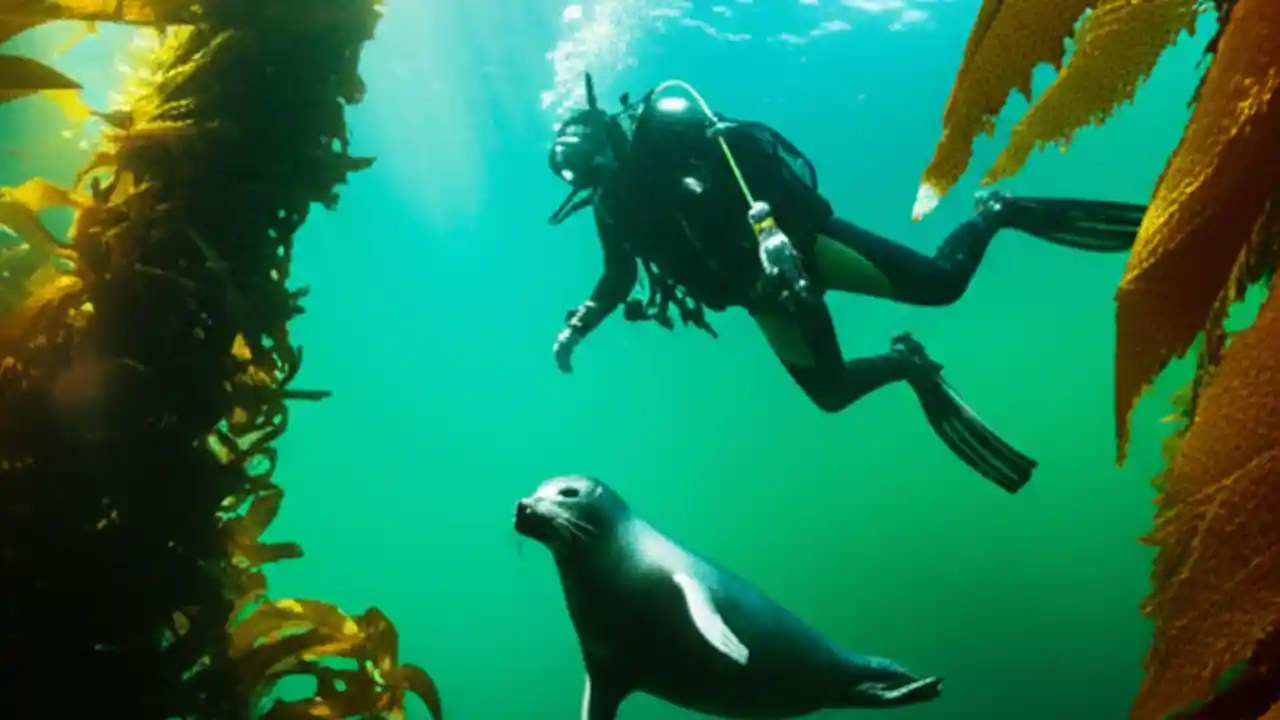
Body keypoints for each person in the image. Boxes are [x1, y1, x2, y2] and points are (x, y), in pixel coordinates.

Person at [544, 73, 1147, 494]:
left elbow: (751, 156)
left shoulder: (670, 131)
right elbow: (618, 276)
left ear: (604, 136)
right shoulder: (613, 207)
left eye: (593, 162)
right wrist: (578, 327)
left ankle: (997, 212)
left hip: (807, 245)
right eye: (584, 175)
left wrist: (773, 233)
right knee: (831, 395)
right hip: (762, 297)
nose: (597, 176)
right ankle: (907, 363)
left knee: (941, 284)